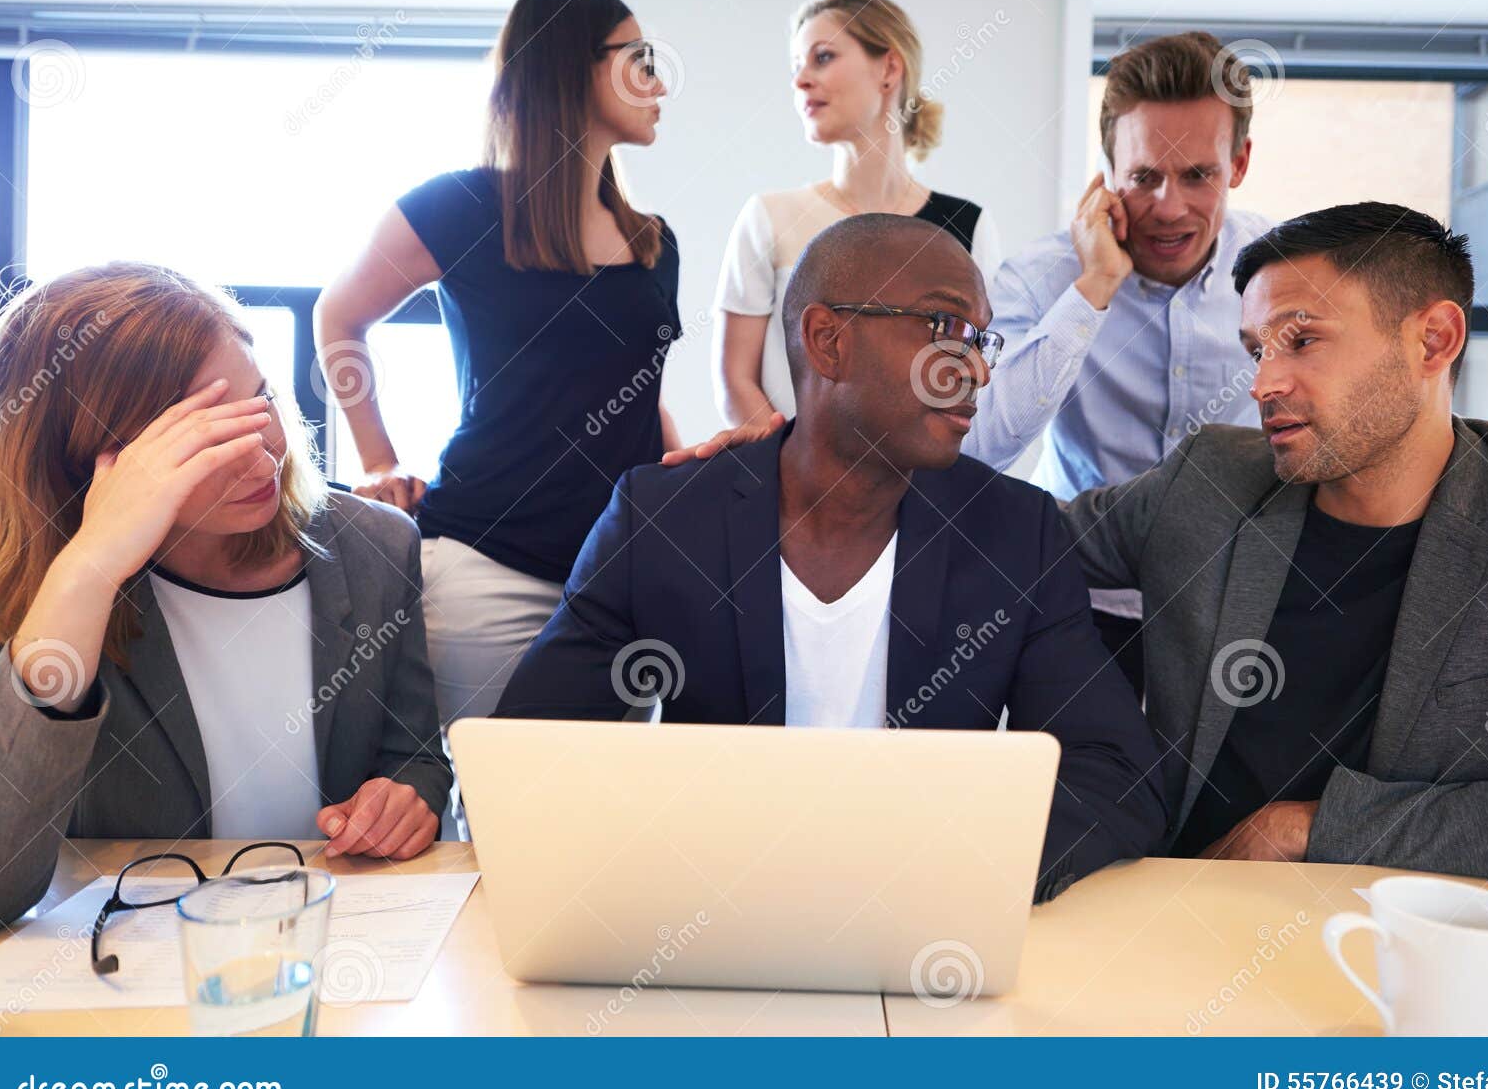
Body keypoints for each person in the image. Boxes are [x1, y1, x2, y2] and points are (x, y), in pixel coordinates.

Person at [498, 215, 1168, 904]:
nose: (976, 366)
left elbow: (1114, 777)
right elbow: (530, 756)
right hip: (712, 929)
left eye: (982, 338)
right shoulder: (665, 520)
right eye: (945, 327)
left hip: (923, 940)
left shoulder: (1014, 534)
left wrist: (945, 871)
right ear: (828, 341)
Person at [1057, 202, 1488, 886]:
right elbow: (1020, 541)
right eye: (1257, 349)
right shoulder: (1210, 480)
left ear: (1433, 340)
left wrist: (1304, 829)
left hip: (1406, 942)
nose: (1261, 384)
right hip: (1177, 916)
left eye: (1302, 341)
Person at [0, 263, 451, 925]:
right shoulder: (40, 591)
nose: (263, 449)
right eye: (207, 430)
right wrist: (90, 565)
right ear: (94, 459)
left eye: (261, 400)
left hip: (327, 940)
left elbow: (413, 757)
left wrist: (409, 798)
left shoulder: (375, 548)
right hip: (125, 972)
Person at [314, 0, 683, 780]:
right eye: (639, 61)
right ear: (572, 68)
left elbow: (642, 398)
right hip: (488, 567)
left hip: (617, 577)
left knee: (596, 825)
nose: (659, 83)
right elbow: (339, 318)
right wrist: (378, 462)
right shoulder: (457, 206)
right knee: (482, 815)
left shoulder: (653, 243)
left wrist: (678, 498)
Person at [961, 31, 1272, 698]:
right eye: (1143, 176)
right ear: (1106, 171)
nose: (1168, 206)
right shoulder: (1046, 276)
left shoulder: (1286, 274)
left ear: (1238, 163)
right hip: (1080, 608)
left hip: (1245, 609)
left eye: (1198, 175)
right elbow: (979, 441)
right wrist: (1094, 286)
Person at [712, 0, 1001, 429]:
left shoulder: (967, 228)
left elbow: (974, 382)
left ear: (888, 68)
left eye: (822, 57)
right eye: (795, 67)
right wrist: (789, 474)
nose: (800, 80)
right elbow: (735, 380)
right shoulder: (767, 217)